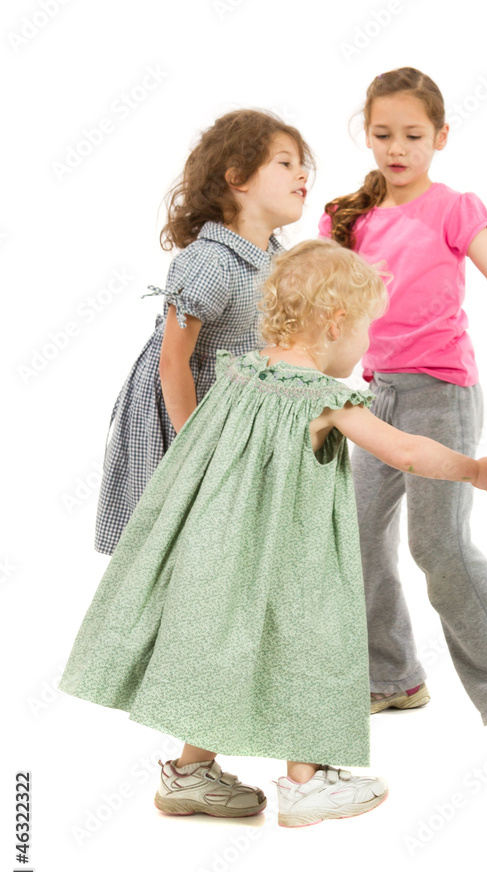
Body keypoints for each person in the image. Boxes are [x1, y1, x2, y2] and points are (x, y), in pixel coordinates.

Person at [60, 240, 487, 828]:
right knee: (316, 644)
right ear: (333, 322)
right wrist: (476, 469)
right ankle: (307, 782)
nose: (365, 346)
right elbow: (404, 451)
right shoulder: (325, 399)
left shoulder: (239, 372)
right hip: (292, 559)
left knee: (218, 645)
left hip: (220, 547)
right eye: (364, 331)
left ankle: (191, 772)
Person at [320, 67, 487, 748]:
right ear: (367, 136)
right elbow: (324, 307)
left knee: (438, 544)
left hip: (442, 395)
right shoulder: (347, 218)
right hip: (374, 396)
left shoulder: (453, 207)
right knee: (357, 535)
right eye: (383, 134)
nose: (398, 148)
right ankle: (392, 677)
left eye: (413, 135)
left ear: (441, 136)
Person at [95, 109, 311, 554]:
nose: (302, 173)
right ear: (238, 177)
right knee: (174, 539)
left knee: (225, 541)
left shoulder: (274, 259)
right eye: (285, 163)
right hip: (184, 414)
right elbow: (172, 360)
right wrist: (194, 444)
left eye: (301, 165)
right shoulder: (212, 261)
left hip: (230, 412)